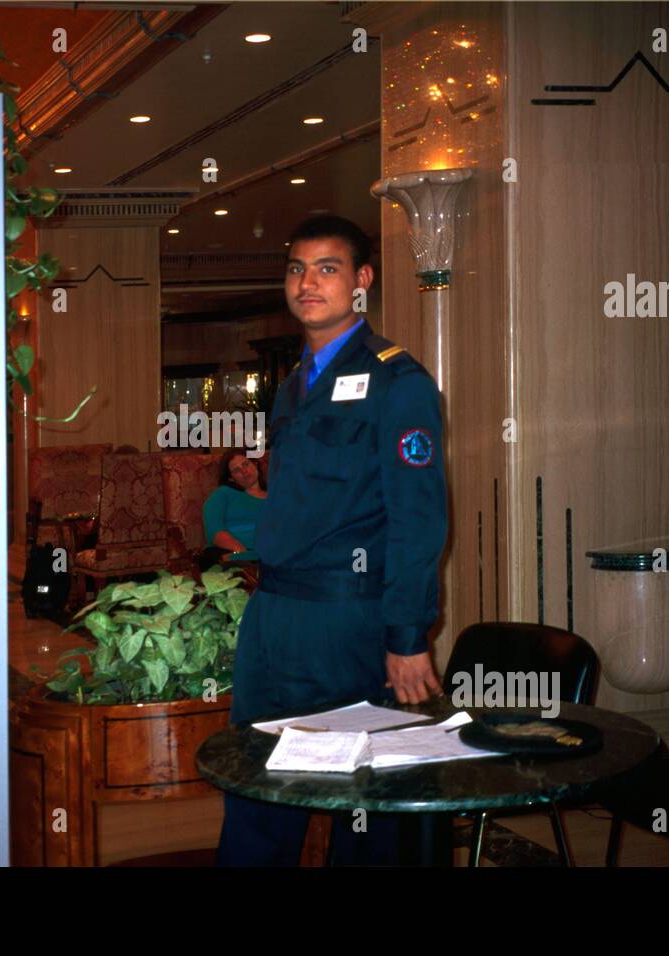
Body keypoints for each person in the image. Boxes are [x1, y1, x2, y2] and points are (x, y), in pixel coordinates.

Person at [216, 215, 449, 866]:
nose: (307, 282)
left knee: (357, 797)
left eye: (327, 268)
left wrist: (407, 635)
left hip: (345, 616)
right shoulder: (294, 386)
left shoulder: (397, 382)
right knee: (257, 780)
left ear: (361, 281)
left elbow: (418, 516)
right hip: (275, 613)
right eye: (296, 268)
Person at [201, 449, 267, 566]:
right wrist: (244, 554)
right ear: (231, 478)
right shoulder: (222, 494)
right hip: (231, 553)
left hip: (270, 555)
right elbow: (215, 533)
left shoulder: (276, 495)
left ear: (255, 464)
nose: (244, 471)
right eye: (237, 470)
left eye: (246, 464)